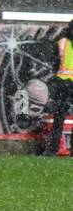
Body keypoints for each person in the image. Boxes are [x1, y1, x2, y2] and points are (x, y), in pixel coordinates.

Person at [39, 20, 73, 155]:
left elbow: (54, 62)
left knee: (59, 118)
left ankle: (52, 150)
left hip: (62, 83)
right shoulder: (62, 43)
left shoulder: (62, 42)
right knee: (59, 118)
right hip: (65, 83)